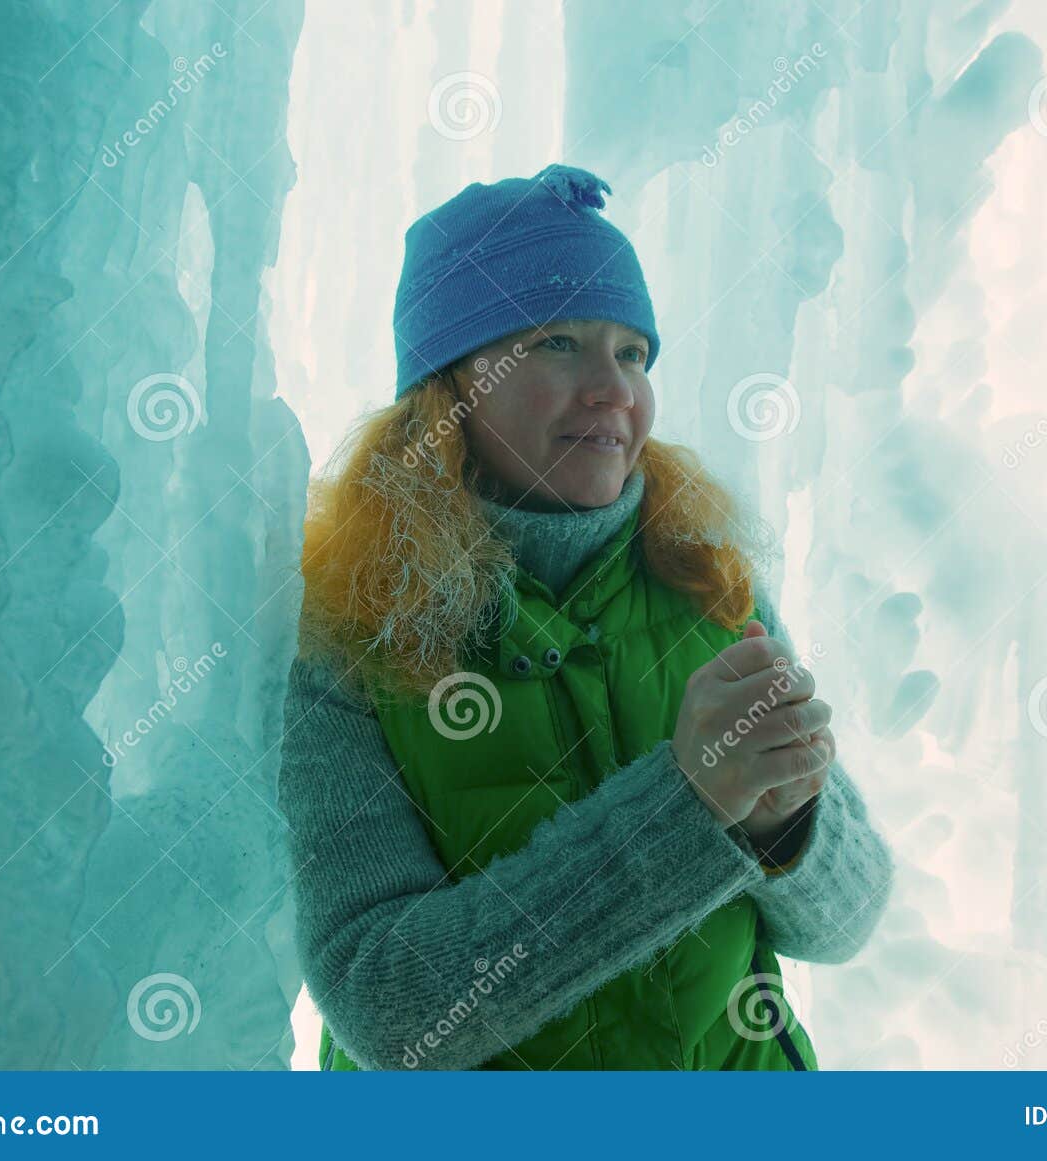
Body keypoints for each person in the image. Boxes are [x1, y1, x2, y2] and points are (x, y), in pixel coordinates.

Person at [279, 163, 894, 1070]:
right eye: (559, 342)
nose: (615, 388)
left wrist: (786, 820)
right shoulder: (354, 629)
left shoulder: (708, 576)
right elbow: (386, 1008)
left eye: (634, 352)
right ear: (451, 386)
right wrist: (688, 809)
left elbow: (848, 919)